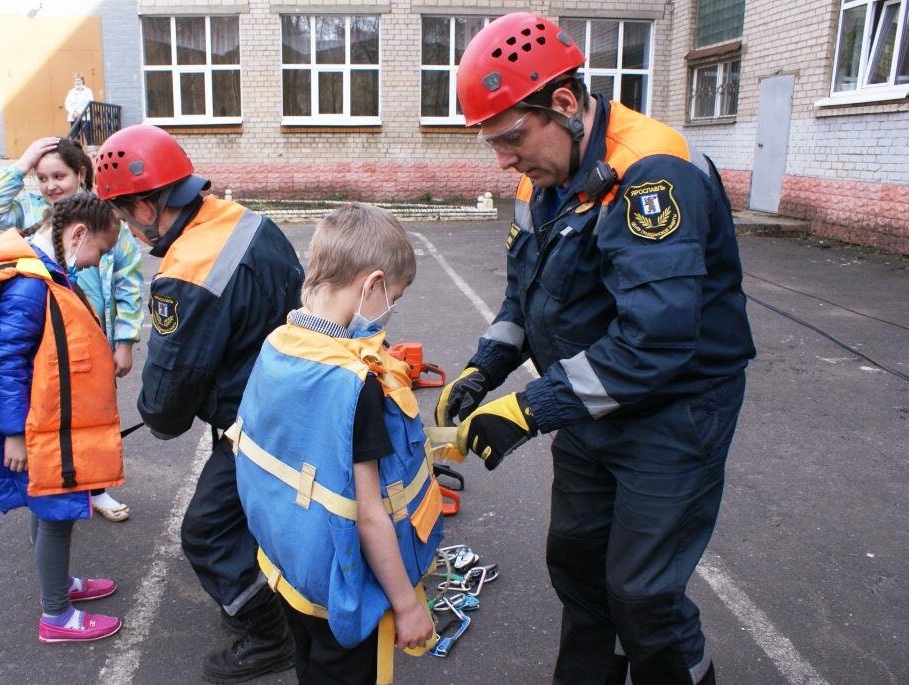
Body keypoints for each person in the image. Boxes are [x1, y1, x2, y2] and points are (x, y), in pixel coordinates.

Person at [436, 13, 756, 685]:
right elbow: (526, 295)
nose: (504, 159)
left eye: (512, 137)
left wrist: (525, 410)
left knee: (643, 594)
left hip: (673, 412)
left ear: (563, 104)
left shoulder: (651, 172)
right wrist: (481, 366)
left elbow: (654, 344)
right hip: (588, 401)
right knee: (578, 565)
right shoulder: (538, 180)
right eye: (492, 143)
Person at [95, 124, 305, 683]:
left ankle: (267, 638)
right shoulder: (250, 222)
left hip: (253, 422)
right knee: (256, 520)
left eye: (123, 216)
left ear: (146, 204)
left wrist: (161, 417)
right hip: (293, 396)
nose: (129, 232)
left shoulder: (185, 269)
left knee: (207, 531)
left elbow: (167, 392)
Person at [232, 203, 442, 685]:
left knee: (310, 663)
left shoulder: (280, 342)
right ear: (371, 285)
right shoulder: (355, 383)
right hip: (343, 584)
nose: (391, 311)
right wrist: (408, 606)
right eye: (395, 296)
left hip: (291, 569)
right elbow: (368, 514)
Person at [0, 192, 126, 643]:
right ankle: (56, 616)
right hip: (36, 429)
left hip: (46, 423)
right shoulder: (31, 283)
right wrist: (13, 435)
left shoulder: (45, 272)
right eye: (99, 251)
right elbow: (6, 363)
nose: (95, 262)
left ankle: (58, 585)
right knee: (56, 513)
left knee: (47, 507)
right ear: (78, 234)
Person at [0, 135, 143, 522]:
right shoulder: (32, 214)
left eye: (59, 176)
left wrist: (125, 340)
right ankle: (59, 484)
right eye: (41, 177)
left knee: (93, 414)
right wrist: (22, 163)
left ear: (80, 173)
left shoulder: (106, 221)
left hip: (94, 344)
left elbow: (128, 281)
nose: (50, 186)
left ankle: (94, 486)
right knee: (54, 414)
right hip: (50, 349)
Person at [65, 73, 94, 141]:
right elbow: (67, 103)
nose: (77, 82)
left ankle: (91, 149)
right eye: (76, 80)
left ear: (82, 81)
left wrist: (81, 113)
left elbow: (90, 103)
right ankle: (76, 151)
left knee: (88, 136)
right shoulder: (71, 92)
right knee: (74, 137)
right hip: (74, 117)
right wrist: (74, 112)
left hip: (85, 117)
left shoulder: (88, 91)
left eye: (79, 80)